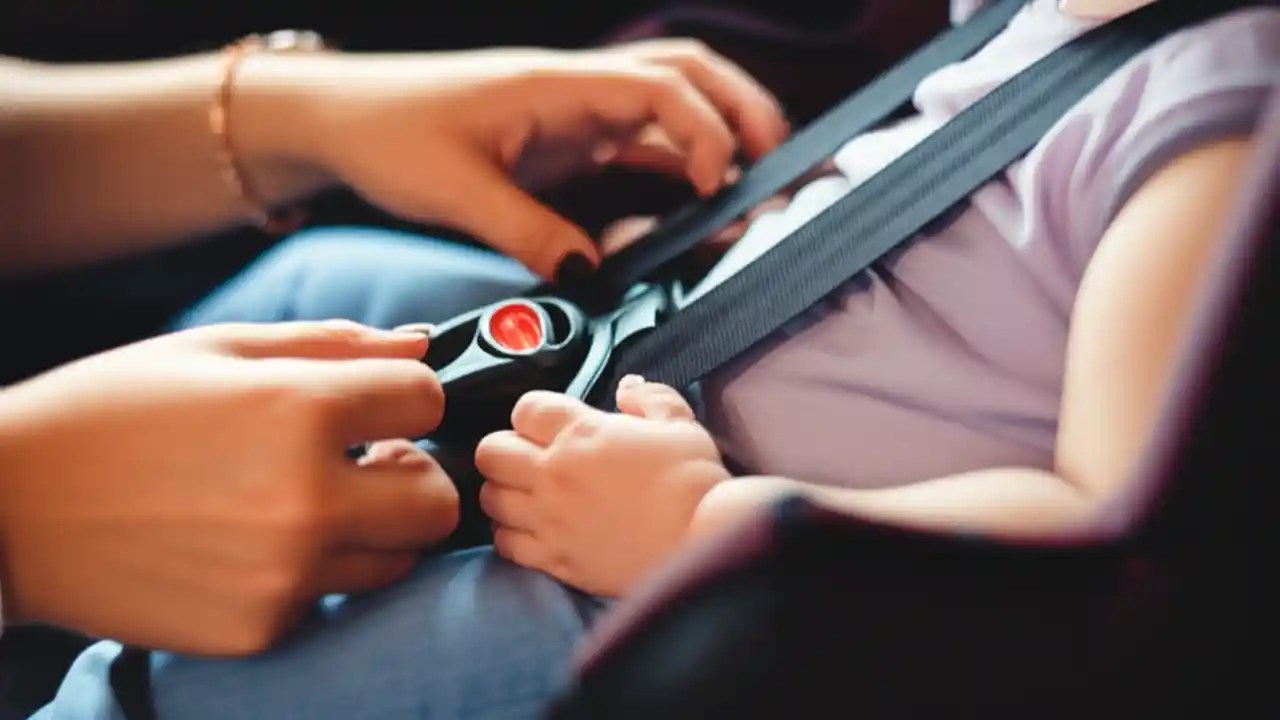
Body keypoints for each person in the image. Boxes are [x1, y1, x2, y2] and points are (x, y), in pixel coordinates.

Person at [5, 0, 1280, 717]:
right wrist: (737, 244)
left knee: (270, 683)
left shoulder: (1216, 118)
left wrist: (700, 531)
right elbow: (939, 213)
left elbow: (1100, 540)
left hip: (698, 566)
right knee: (330, 287)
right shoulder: (1042, 16)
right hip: (665, 362)